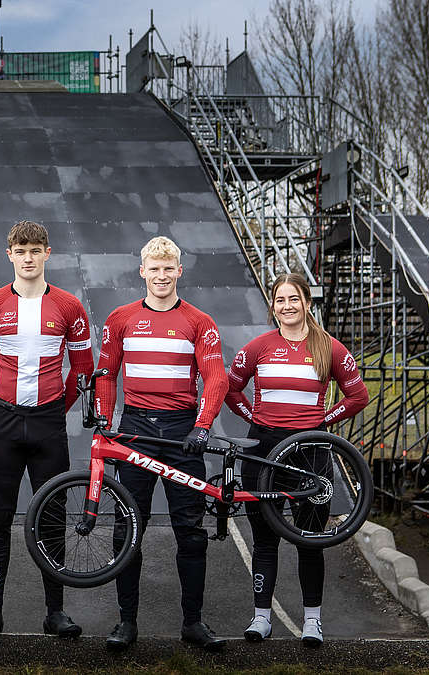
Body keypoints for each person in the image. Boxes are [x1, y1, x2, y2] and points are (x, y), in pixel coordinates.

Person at [95, 236, 229, 651]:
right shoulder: (120, 318)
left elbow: (216, 377)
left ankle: (193, 623)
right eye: (154, 268)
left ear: (179, 272)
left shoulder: (200, 321)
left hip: (181, 432)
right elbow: (106, 374)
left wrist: (203, 426)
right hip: (135, 428)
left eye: (168, 268)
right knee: (126, 528)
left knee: (189, 531)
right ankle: (126, 623)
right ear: (142, 272)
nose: (161, 276)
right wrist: (103, 421)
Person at [224, 272, 369, 647]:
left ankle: (312, 621)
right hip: (264, 450)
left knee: (310, 540)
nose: (287, 306)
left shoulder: (330, 348)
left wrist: (322, 422)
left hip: (310, 452)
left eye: (294, 299)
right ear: (273, 306)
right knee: (264, 540)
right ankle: (261, 618)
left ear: (307, 303)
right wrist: (251, 417)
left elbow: (357, 397)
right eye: (280, 300)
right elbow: (231, 387)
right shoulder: (258, 346)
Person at [0, 220, 93, 638]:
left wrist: (55, 408)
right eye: (20, 250)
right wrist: (1, 406)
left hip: (48, 424)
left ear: (47, 254)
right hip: (4, 424)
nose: (27, 258)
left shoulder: (70, 307)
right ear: (9, 254)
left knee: (53, 518)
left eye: (35, 250)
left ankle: (54, 612)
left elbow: (82, 371)